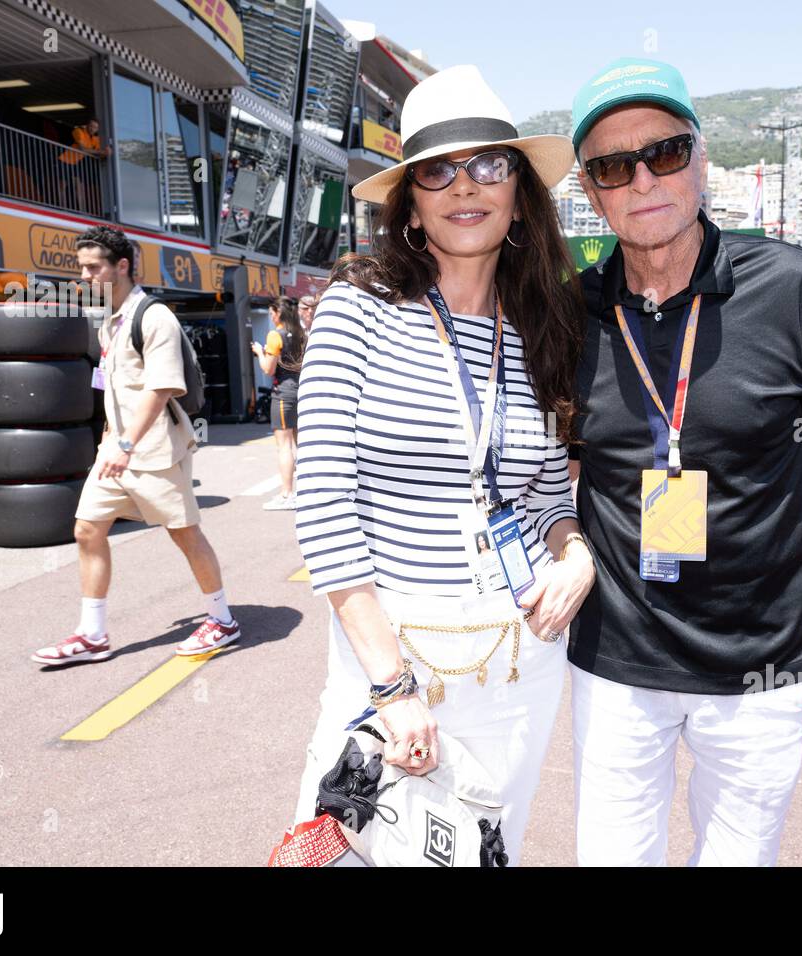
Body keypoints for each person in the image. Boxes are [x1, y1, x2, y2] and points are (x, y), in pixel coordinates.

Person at [566, 57, 802, 867]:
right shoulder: (570, 316)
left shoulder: (796, 287)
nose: (642, 179)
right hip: (616, 660)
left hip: (762, 661)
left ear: (703, 160)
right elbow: (552, 475)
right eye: (611, 166)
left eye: (664, 152)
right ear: (591, 191)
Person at [290, 65, 596, 863]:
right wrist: (391, 689)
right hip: (387, 656)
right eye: (437, 169)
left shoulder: (545, 326)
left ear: (520, 187)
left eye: (488, 163)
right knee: (332, 853)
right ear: (412, 200)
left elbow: (542, 495)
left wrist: (577, 548)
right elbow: (323, 503)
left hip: (518, 656)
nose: (466, 186)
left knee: (485, 853)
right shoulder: (359, 309)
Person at [31, 225, 240, 666]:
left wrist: (124, 442)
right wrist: (111, 440)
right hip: (116, 452)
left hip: (153, 452)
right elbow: (114, 389)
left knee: (185, 535)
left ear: (121, 266)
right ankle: (92, 634)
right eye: (82, 269)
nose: (85, 277)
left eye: (93, 268)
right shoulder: (111, 320)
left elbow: (160, 389)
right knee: (87, 528)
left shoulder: (154, 316)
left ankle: (222, 619)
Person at [253, 295, 305, 510]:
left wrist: (259, 352)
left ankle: (287, 493)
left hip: (283, 394)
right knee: (302, 444)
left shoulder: (275, 335)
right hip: (302, 391)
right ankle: (307, 490)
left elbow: (268, 368)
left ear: (278, 313)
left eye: (272, 313)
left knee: (284, 447)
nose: (271, 317)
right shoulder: (302, 334)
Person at [57, 118, 111, 215]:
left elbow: (98, 154)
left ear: (97, 130)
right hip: (64, 160)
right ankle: (63, 209)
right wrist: (101, 152)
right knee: (62, 185)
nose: (92, 129)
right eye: (91, 126)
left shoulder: (95, 139)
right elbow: (83, 149)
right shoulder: (79, 131)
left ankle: (83, 211)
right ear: (87, 125)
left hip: (76, 163)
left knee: (79, 186)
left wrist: (107, 152)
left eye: (95, 127)